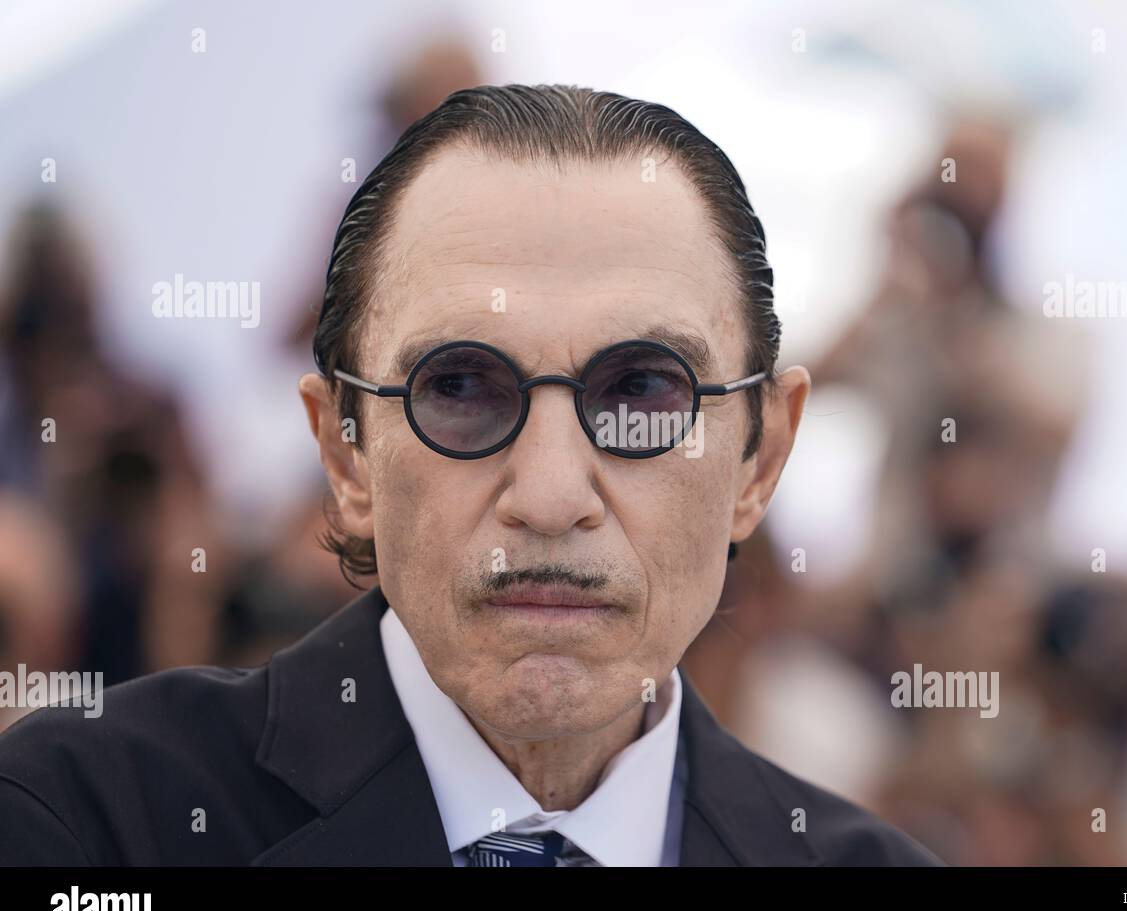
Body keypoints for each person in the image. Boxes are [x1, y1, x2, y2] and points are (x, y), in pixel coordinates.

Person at [0, 84, 940, 867]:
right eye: (458, 386)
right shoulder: (81, 828)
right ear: (345, 453)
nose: (550, 496)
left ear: (761, 456)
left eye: (643, 390)